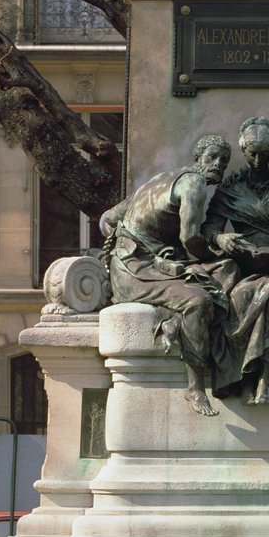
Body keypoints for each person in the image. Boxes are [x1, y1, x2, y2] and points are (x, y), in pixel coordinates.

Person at [99, 134, 235, 417]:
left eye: (224, 160)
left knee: (221, 272)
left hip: (139, 265)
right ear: (198, 159)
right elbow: (191, 237)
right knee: (198, 301)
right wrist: (216, 251)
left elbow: (108, 218)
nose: (218, 164)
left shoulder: (162, 179)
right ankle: (195, 386)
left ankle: (174, 323)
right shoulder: (194, 184)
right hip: (134, 272)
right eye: (212, 157)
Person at [204, 116, 269, 406]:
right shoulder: (230, 188)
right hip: (243, 266)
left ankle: (266, 380)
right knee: (240, 298)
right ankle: (245, 376)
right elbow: (210, 227)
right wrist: (222, 239)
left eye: (265, 153)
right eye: (253, 153)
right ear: (243, 151)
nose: (258, 159)